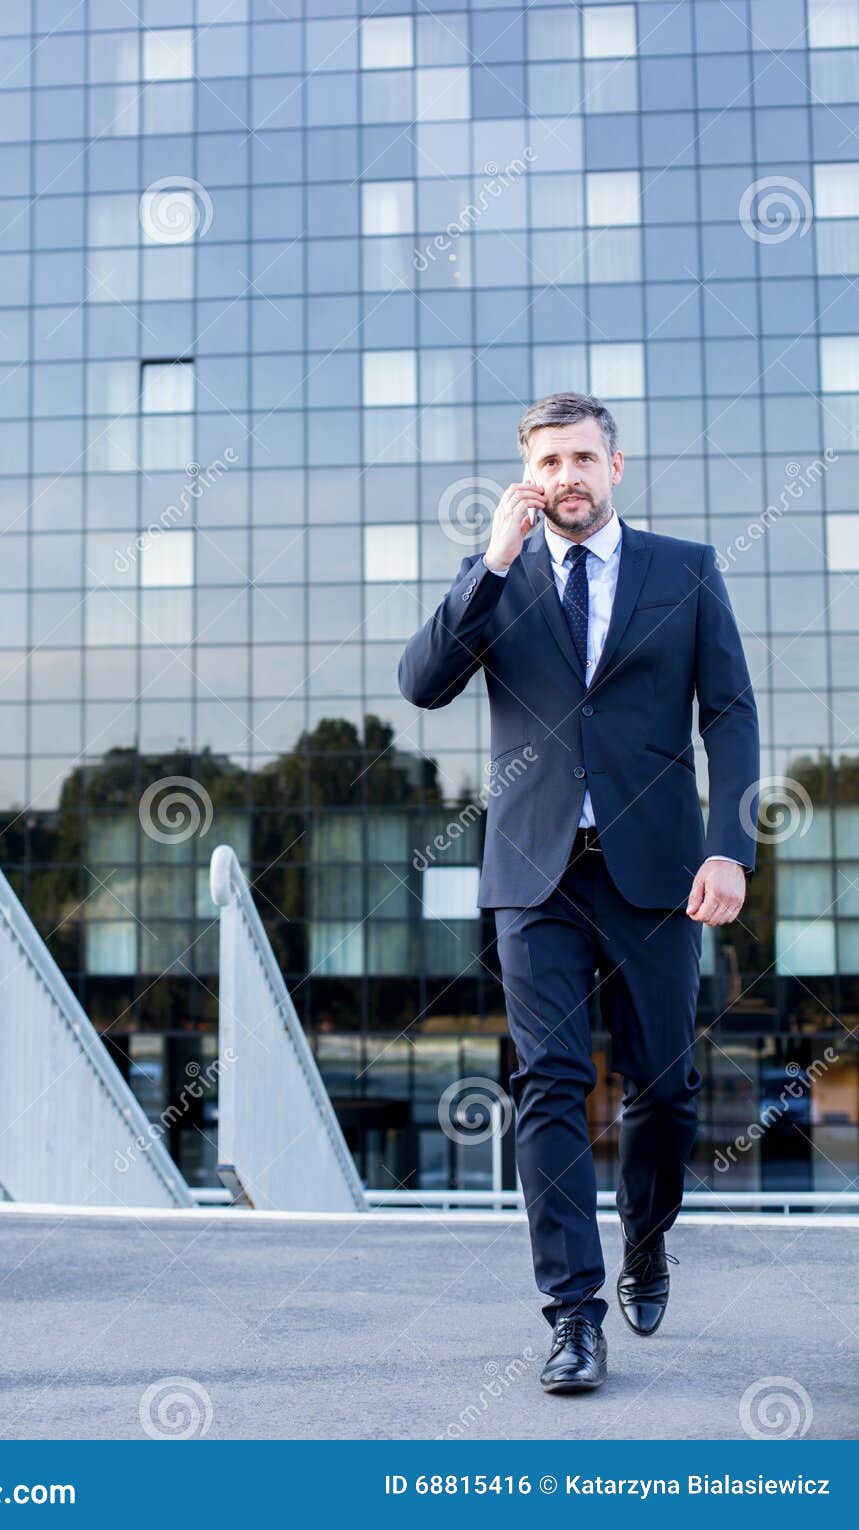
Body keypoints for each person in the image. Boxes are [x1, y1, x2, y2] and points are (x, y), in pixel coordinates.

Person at [398, 393, 759, 1393]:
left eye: (582, 458)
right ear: (529, 473)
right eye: (548, 461)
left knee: (662, 1086)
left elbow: (729, 714)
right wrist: (491, 561)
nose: (565, 476)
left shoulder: (683, 570)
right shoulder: (494, 576)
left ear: (614, 466)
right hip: (534, 869)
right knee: (548, 1081)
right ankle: (570, 1313)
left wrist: (728, 849)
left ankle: (645, 1239)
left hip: (657, 869)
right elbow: (421, 683)